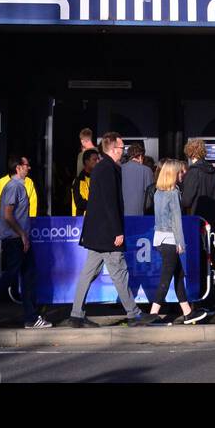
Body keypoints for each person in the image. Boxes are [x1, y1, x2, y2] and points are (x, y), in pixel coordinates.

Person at [0, 155, 52, 331]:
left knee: (29, 276)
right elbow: (7, 215)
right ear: (18, 167)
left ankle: (31, 318)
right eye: (26, 165)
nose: (29, 168)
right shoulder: (14, 187)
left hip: (21, 239)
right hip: (15, 240)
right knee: (9, 277)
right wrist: (22, 234)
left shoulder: (19, 186)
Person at [69, 132, 141, 328]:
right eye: (121, 148)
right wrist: (117, 231)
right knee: (119, 271)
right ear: (112, 149)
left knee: (88, 273)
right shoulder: (108, 168)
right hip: (107, 233)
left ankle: (76, 314)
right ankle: (133, 314)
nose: (123, 151)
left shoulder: (103, 168)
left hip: (98, 233)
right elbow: (110, 203)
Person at [147, 160, 208, 326]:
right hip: (170, 239)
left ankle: (187, 312)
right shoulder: (173, 192)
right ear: (173, 174)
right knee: (166, 278)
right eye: (180, 172)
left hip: (160, 238)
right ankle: (153, 314)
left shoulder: (158, 192)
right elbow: (176, 220)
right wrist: (180, 242)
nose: (183, 175)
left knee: (179, 276)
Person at [180, 138, 215, 228]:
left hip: (198, 217)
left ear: (189, 152)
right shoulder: (214, 170)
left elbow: (186, 201)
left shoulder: (193, 172)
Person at [121, 142, 153, 215]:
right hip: (140, 213)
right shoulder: (146, 170)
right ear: (141, 156)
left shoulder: (120, 169)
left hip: (122, 213)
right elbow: (150, 195)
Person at [72, 147, 99, 215]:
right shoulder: (78, 181)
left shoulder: (99, 178)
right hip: (82, 221)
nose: (97, 162)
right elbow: (79, 203)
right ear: (87, 162)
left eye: (98, 159)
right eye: (94, 160)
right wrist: (97, 205)